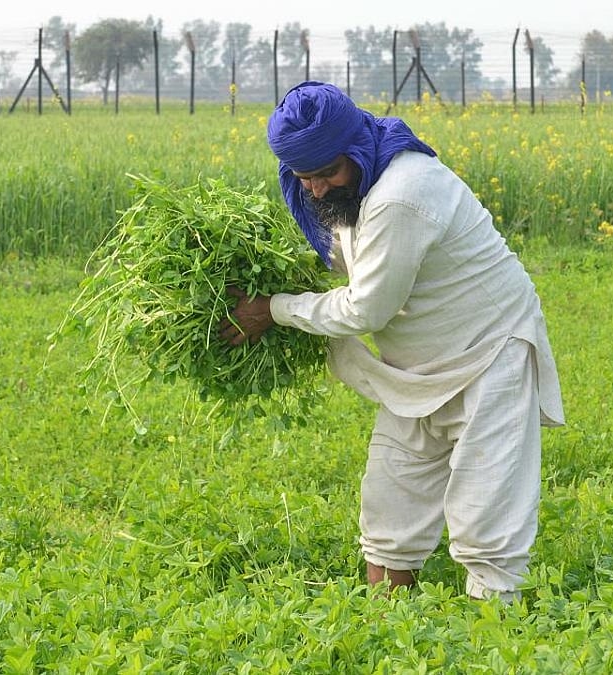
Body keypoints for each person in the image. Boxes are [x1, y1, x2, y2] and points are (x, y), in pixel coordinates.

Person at [219, 81, 564, 603]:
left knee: (486, 509)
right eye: (303, 177)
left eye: (327, 173)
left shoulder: (402, 193)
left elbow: (365, 307)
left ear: (355, 150)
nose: (314, 190)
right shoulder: (354, 190)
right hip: (415, 364)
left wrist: (273, 309)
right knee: (390, 498)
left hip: (489, 351)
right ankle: (390, 629)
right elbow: (345, 259)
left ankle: (498, 637)